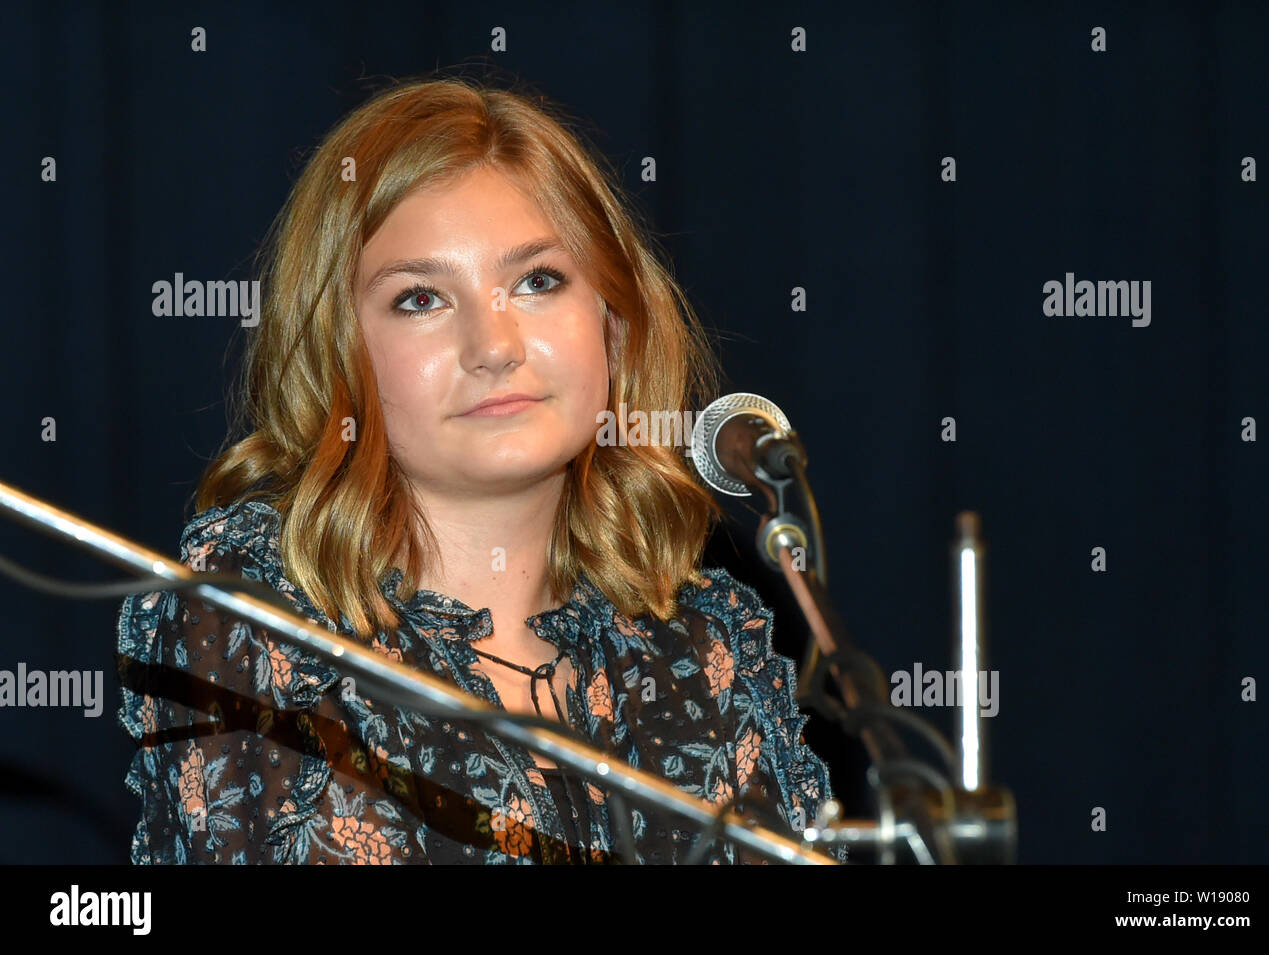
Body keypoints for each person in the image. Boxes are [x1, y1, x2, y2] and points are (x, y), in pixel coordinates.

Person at [114, 75, 845, 865]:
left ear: (614, 320)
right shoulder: (253, 616)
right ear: (338, 352)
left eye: (537, 281)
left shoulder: (704, 643)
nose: (493, 346)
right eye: (422, 297)